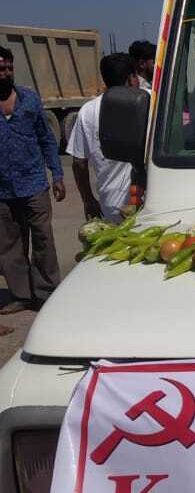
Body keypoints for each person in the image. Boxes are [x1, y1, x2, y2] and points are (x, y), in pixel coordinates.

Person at [0, 45, 65, 313]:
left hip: (34, 183)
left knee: (43, 239)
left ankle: (46, 293)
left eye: (9, 67)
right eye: (1, 68)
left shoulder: (29, 99)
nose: (5, 73)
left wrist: (57, 174)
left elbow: (47, 140)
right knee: (9, 245)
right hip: (2, 190)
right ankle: (21, 295)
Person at [67, 52, 140, 223]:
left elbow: (79, 163)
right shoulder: (149, 100)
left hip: (111, 207)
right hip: (149, 201)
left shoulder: (87, 111)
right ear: (130, 78)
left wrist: (88, 200)